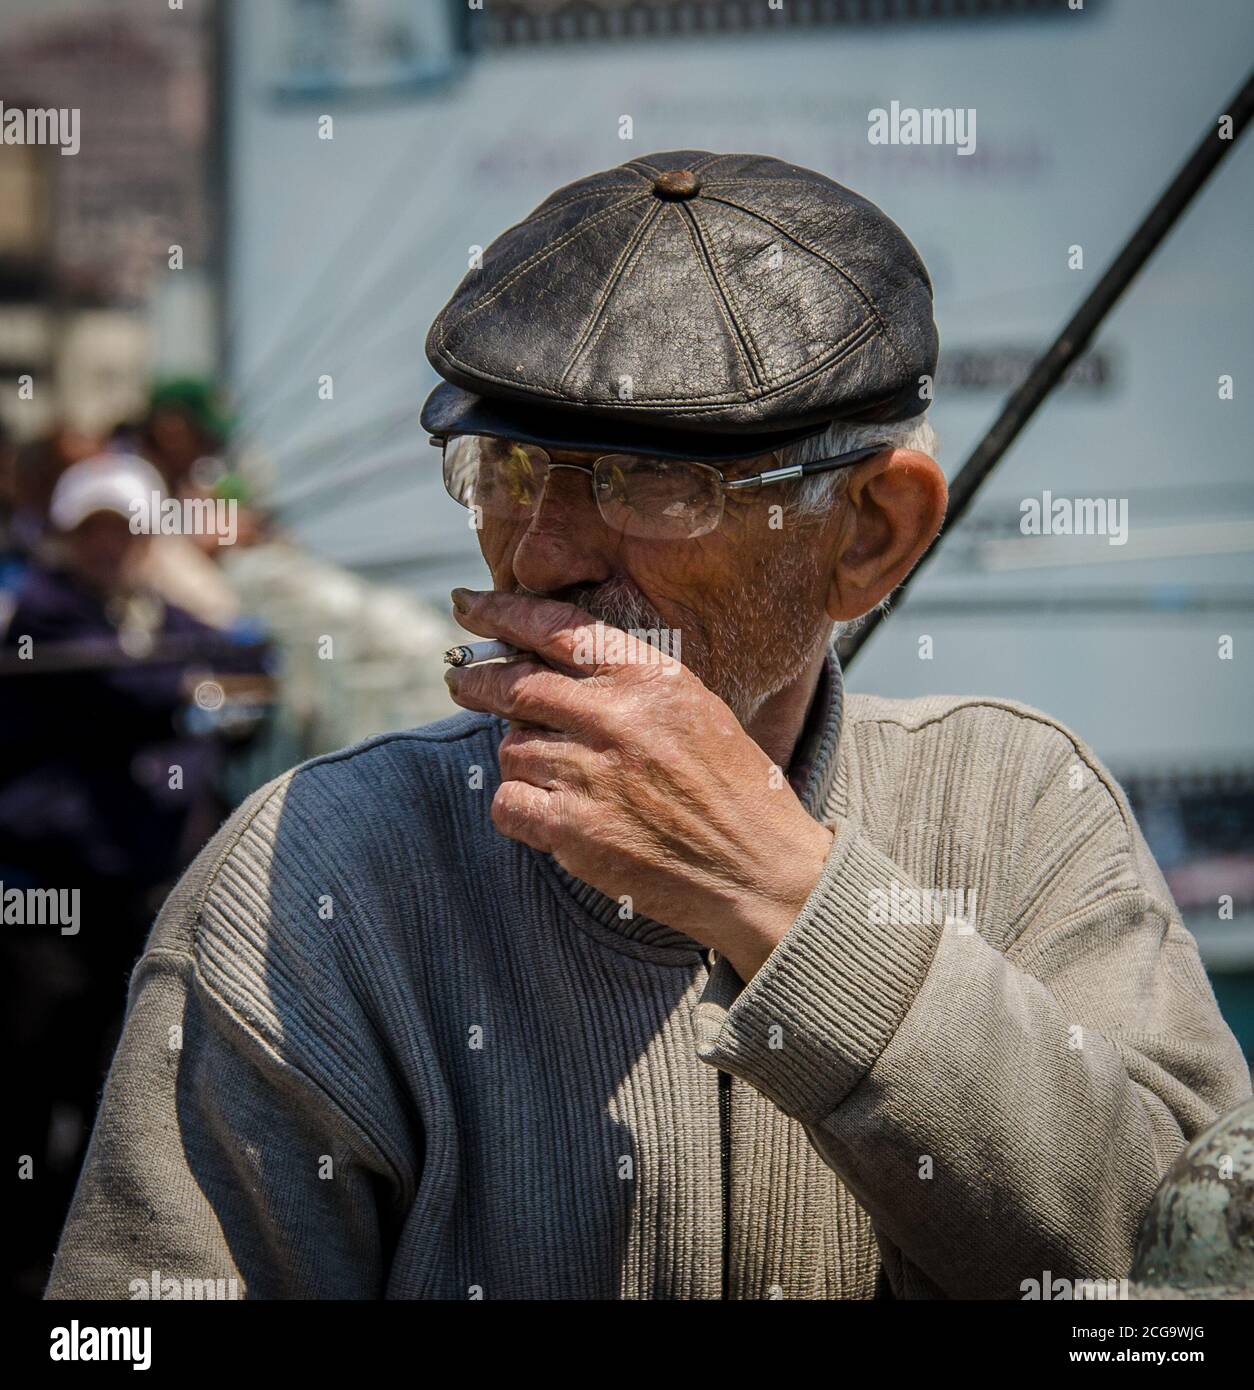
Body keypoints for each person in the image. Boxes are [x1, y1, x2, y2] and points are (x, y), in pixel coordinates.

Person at [47, 152, 1250, 1300]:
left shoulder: (1021, 807)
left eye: (653, 483)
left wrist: (786, 896)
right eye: (507, 466)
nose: (538, 553)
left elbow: (1167, 1275)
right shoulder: (312, 879)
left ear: (873, 532)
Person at [1, 454, 269, 1295]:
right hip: (45, 889)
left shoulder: (152, 613)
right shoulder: (44, 617)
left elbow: (240, 675)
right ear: (67, 540)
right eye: (95, 531)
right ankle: (21, 1251)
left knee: (112, 1067)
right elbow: (133, 687)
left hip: (137, 886)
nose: (112, 546)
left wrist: (212, 689)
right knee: (31, 1066)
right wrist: (205, 679)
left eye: (129, 529)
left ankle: (67, 1246)